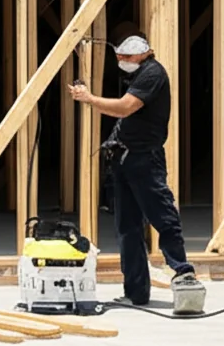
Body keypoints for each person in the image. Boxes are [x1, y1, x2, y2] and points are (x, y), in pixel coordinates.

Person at [68, 34, 201, 306]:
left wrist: (89, 98)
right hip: (124, 159)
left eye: (127, 58)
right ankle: (136, 292)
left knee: (163, 215)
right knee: (127, 227)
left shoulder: (153, 74)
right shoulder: (138, 73)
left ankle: (183, 271)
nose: (122, 62)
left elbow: (125, 108)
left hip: (144, 159)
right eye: (119, 57)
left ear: (145, 54)